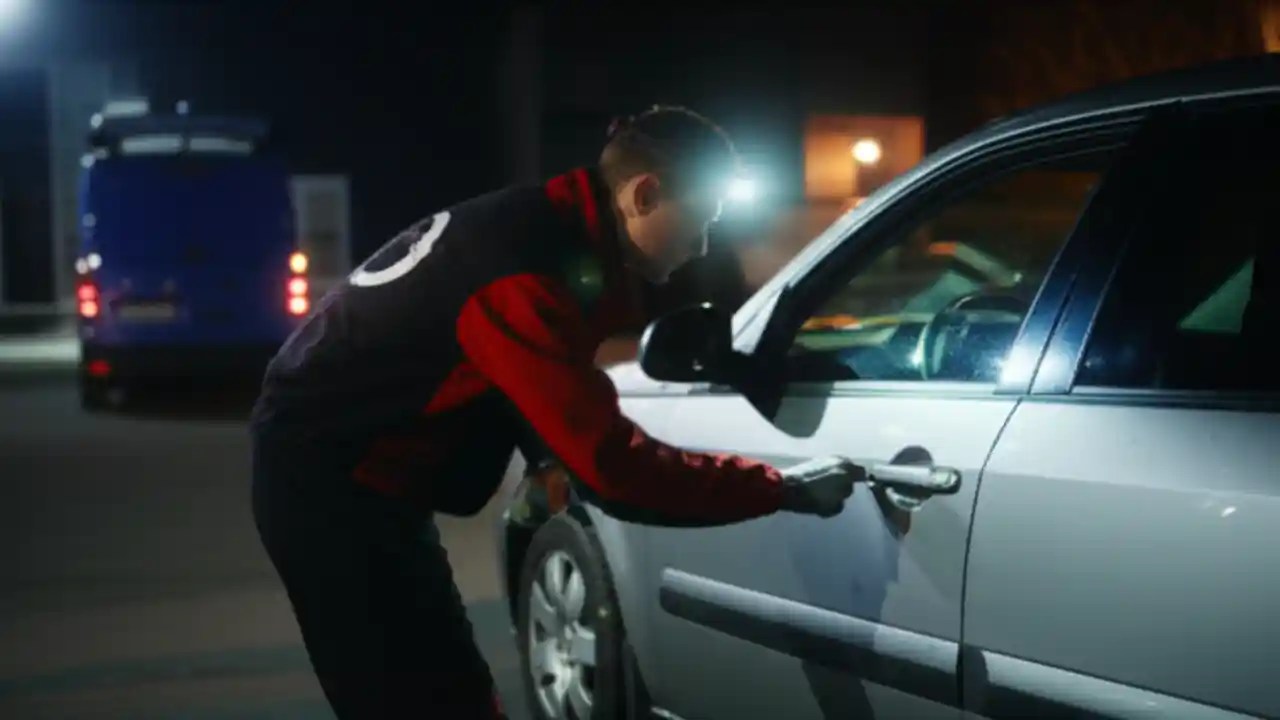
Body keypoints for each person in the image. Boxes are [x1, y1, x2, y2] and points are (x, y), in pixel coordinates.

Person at [249, 105, 863, 719]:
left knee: (448, 689)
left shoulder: (547, 229)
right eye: (700, 221)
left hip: (354, 478)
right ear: (645, 195)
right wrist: (777, 489)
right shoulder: (523, 272)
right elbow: (616, 470)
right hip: (327, 490)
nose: (701, 246)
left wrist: (544, 454)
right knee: (417, 699)